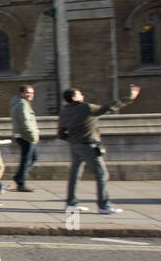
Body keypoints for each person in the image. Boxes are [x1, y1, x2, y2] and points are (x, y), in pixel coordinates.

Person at [59, 83, 141, 214]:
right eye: (80, 94)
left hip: (75, 146)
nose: (82, 95)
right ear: (74, 97)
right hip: (89, 145)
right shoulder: (85, 107)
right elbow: (107, 108)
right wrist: (129, 98)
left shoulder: (65, 111)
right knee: (101, 174)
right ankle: (104, 206)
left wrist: (73, 140)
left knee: (75, 175)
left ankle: (71, 204)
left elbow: (61, 133)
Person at [9, 84, 40, 191]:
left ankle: (19, 176)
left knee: (33, 157)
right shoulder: (22, 104)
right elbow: (25, 122)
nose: (30, 95)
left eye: (32, 93)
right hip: (26, 136)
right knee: (27, 160)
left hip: (22, 135)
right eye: (28, 93)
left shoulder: (20, 103)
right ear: (22, 93)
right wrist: (33, 135)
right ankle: (20, 182)